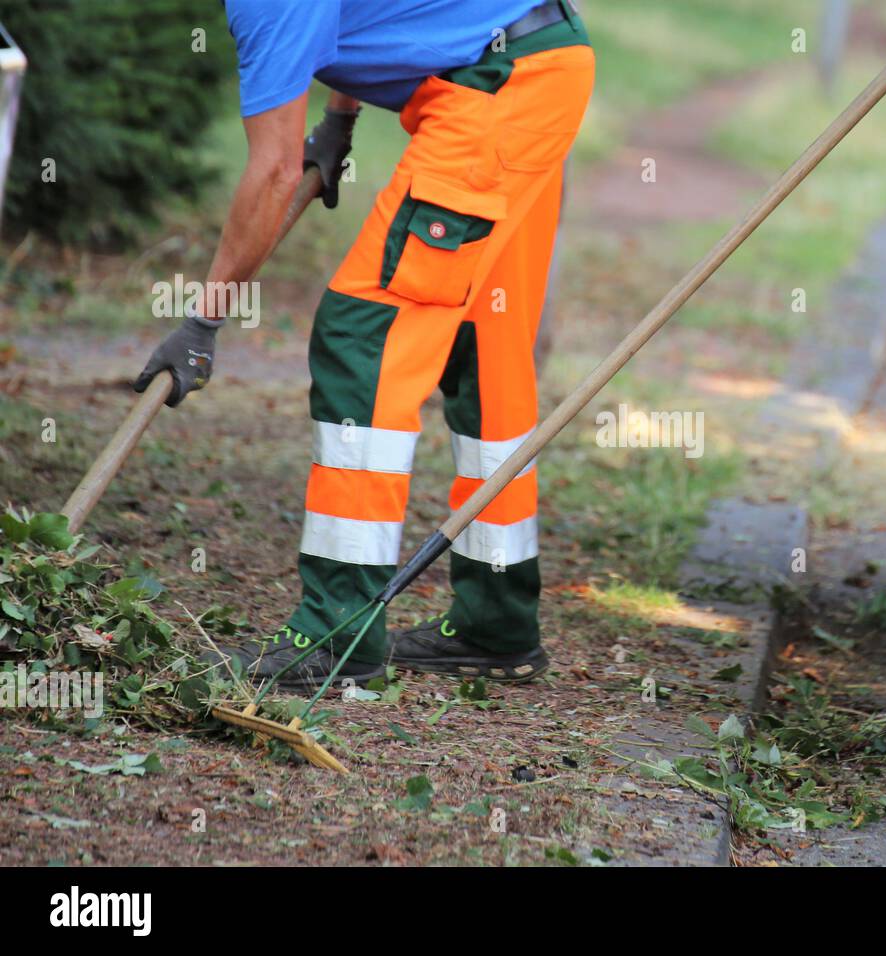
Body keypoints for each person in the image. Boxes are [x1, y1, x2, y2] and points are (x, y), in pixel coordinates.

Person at [134, 0, 594, 689]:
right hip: (543, 66)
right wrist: (338, 120)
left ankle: (335, 634)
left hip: (495, 92)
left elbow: (273, 173)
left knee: (366, 339)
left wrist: (202, 322)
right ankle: (495, 622)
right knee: (482, 348)